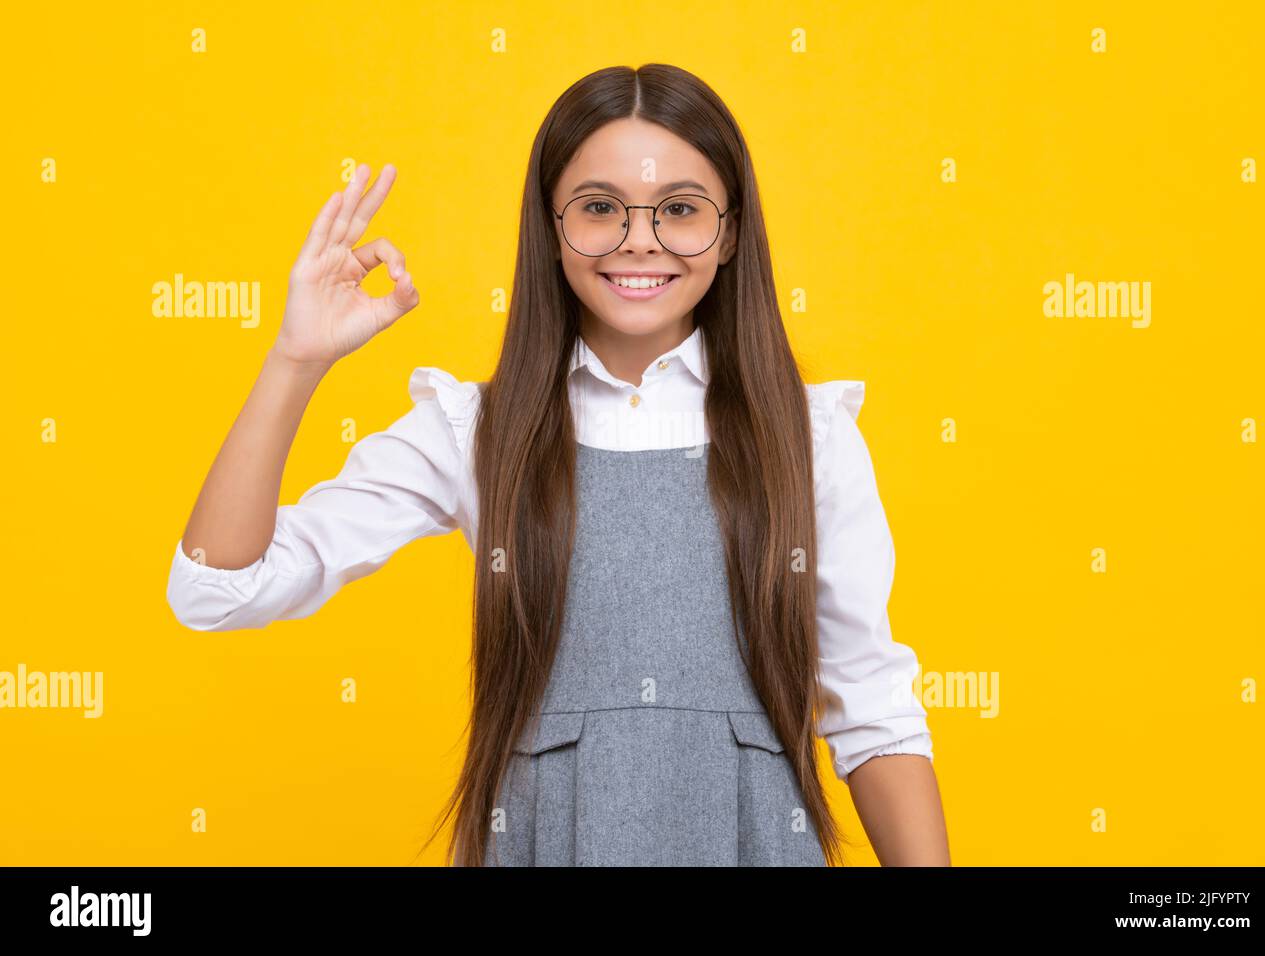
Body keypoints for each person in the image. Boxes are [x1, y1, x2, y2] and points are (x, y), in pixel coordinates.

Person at [167, 63, 950, 867]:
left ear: (732, 230)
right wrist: (296, 359)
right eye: (599, 208)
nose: (638, 238)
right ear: (549, 225)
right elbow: (216, 589)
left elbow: (873, 712)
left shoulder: (808, 436)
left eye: (679, 209)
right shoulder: (476, 431)